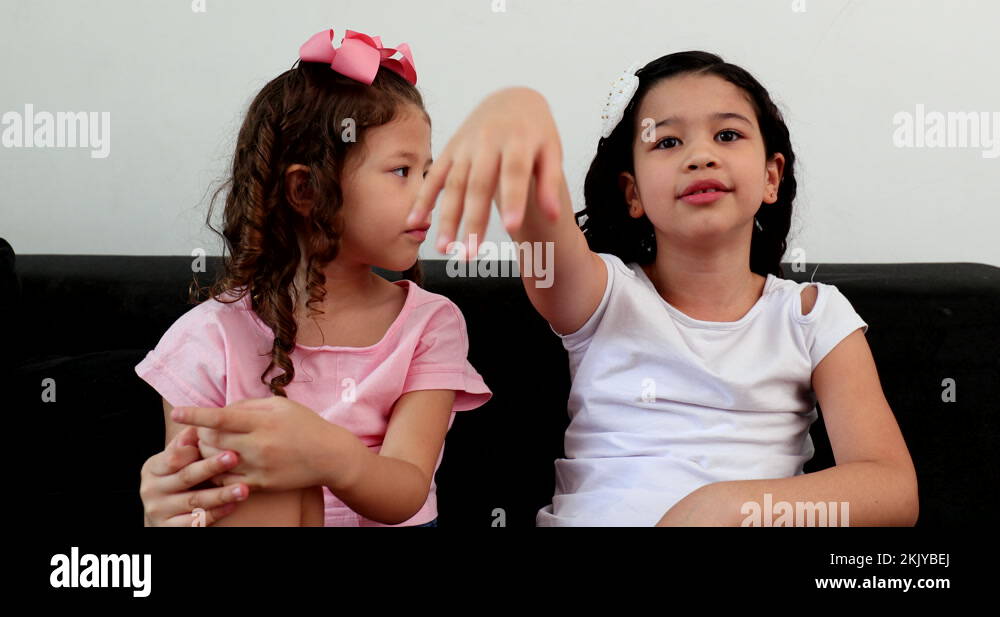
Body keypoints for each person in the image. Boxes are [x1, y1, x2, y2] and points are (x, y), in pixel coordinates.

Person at [406, 51, 917, 526]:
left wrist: (722, 508)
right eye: (667, 142)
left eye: (728, 136)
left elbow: (892, 490)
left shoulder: (812, 315)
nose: (700, 156)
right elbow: (543, 230)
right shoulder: (600, 296)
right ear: (633, 194)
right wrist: (522, 114)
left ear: (771, 177)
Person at [137, 28, 491, 527]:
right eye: (401, 171)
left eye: (427, 172)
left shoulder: (431, 324)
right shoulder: (208, 335)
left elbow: (406, 491)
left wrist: (324, 453)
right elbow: (192, 491)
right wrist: (173, 509)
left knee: (286, 469)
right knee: (250, 483)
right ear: (305, 190)